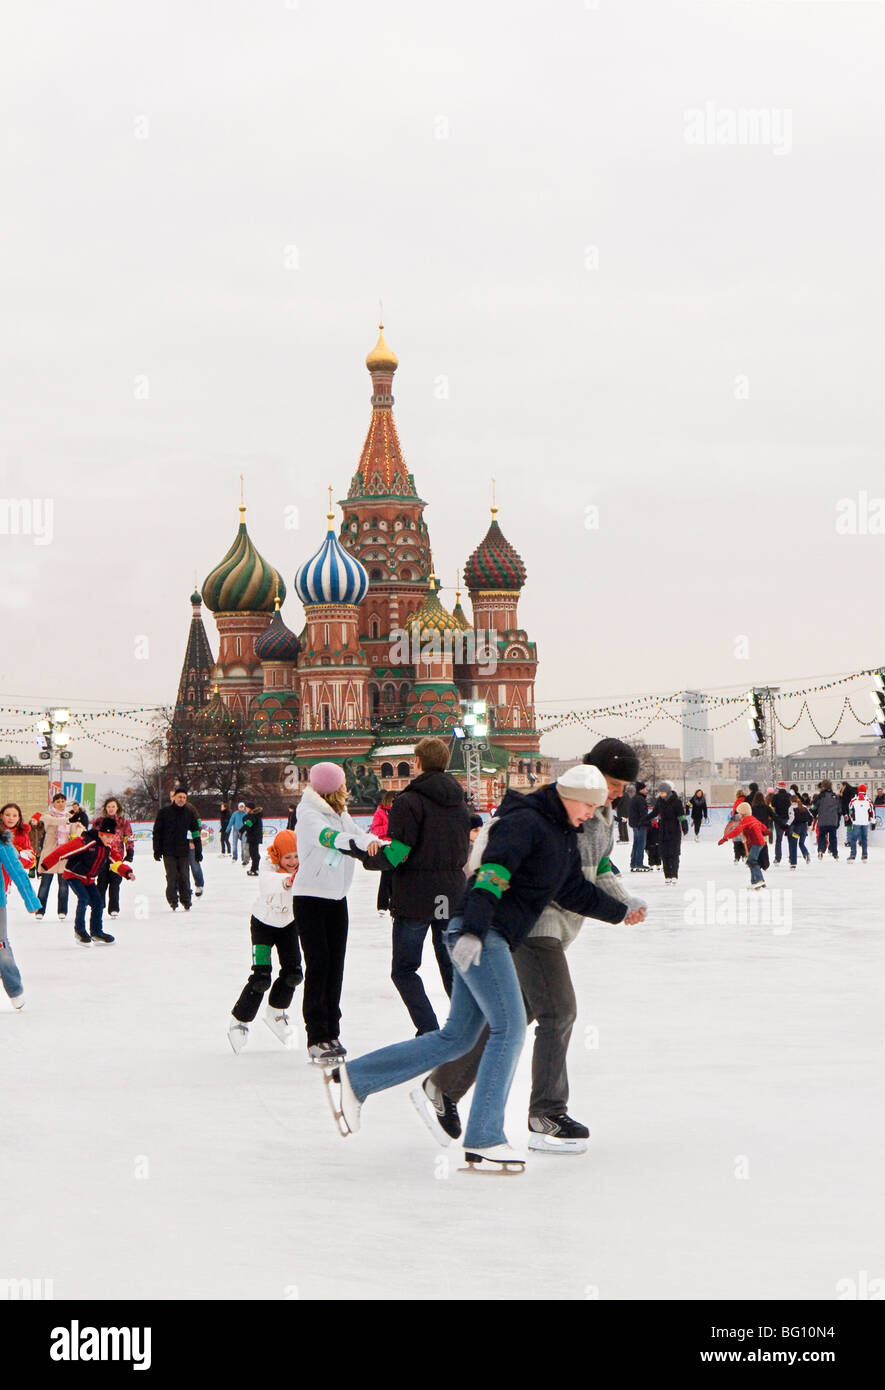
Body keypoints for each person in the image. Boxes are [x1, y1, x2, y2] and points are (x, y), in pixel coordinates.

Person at [326, 763, 645, 1173]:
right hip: (482, 933)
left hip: (485, 934)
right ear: (570, 796)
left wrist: (621, 911)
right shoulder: (525, 823)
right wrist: (473, 931)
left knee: (457, 1037)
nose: (591, 815)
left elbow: (572, 890)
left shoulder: (562, 834)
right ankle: (485, 1137)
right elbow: (491, 875)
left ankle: (354, 1079)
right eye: (589, 806)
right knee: (509, 1028)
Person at [416, 738, 647, 1153]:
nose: (616, 793)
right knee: (559, 1010)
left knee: (516, 1015)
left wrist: (623, 899)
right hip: (535, 924)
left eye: (622, 787)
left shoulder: (602, 813)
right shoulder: (564, 808)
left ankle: (443, 1086)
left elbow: (600, 866)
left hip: (555, 926)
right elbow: (557, 878)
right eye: (614, 783)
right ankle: (546, 1114)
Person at [294, 763, 382, 1062]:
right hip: (310, 899)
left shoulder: (340, 815)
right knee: (319, 966)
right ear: (333, 788)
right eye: (343, 785)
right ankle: (316, 1036)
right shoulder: (308, 814)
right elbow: (327, 838)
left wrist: (382, 845)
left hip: (336, 899)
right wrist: (356, 846)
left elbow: (360, 834)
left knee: (336, 967)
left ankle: (332, 1031)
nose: (347, 789)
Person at [383, 739, 471, 1035]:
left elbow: (399, 852)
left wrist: (365, 855)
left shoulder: (408, 802)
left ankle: (429, 1031)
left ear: (418, 762)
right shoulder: (460, 803)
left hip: (415, 896)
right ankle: (465, 1027)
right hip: (452, 892)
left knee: (405, 969)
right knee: (451, 965)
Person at [228, 830, 304, 1052]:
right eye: (287, 857)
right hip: (263, 924)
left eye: (296, 856)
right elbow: (267, 883)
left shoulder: (303, 869)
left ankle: (276, 1012)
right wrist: (288, 880)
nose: (293, 862)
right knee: (261, 977)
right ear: (277, 856)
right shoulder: (267, 865)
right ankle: (239, 1021)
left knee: (294, 974)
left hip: (289, 924)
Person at [40, 816, 135, 943]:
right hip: (73, 875)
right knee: (84, 898)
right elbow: (63, 851)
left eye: (112, 837)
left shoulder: (108, 848)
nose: (110, 840)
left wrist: (127, 872)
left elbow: (116, 862)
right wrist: (45, 864)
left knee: (98, 903)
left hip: (89, 879)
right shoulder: (86, 841)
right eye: (107, 836)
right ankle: (79, 930)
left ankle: (96, 932)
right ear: (100, 834)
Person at [0, 829, 42, 1008]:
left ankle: (14, 989)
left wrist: (31, 899)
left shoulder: (2, 843)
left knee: (1, 947)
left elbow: (16, 871)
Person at [152, 788, 202, 911]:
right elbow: (157, 832)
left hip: (183, 850)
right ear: (174, 797)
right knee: (172, 875)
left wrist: (198, 850)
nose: (182, 799)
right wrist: (156, 849)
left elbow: (195, 832)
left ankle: (186, 900)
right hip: (168, 850)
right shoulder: (164, 812)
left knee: (184, 876)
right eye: (180, 797)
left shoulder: (189, 812)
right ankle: (173, 900)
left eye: (184, 798)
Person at [97, 797, 134, 920]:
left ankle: (114, 908)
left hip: (117, 856)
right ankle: (99, 905)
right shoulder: (99, 821)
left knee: (115, 882)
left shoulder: (123, 822)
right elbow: (94, 837)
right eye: (109, 807)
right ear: (105, 809)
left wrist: (130, 850)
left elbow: (128, 837)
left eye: (113, 806)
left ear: (117, 808)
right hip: (102, 855)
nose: (111, 809)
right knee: (102, 882)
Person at [36, 793, 71, 919]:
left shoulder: (69, 816)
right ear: (53, 803)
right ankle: (40, 910)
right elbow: (53, 821)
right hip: (50, 854)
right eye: (58, 801)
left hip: (63, 855)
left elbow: (75, 831)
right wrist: (67, 820)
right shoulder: (48, 815)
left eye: (63, 801)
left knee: (63, 885)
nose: (61, 803)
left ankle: (62, 911)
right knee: (45, 884)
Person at [718, 804, 766, 889]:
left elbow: (736, 831)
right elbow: (762, 826)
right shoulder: (751, 818)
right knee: (750, 861)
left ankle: (759, 880)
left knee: (752, 861)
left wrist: (725, 838)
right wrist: (767, 832)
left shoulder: (745, 820)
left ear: (743, 813)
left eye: (739, 813)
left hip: (757, 843)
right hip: (758, 843)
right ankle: (755, 882)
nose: (738, 815)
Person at [369, 790, 396, 918]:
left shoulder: (400, 812)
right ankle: (383, 905)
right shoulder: (380, 812)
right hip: (385, 846)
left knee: (395, 876)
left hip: (397, 847)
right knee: (386, 875)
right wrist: (389, 827)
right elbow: (374, 830)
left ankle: (393, 904)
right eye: (392, 801)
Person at [651, 782, 686, 883]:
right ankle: (667, 876)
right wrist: (644, 819)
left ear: (667, 792)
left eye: (662, 792)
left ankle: (674, 875)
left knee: (674, 854)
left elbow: (681, 815)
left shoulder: (676, 802)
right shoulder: (659, 801)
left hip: (674, 830)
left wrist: (684, 825)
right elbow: (654, 812)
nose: (661, 794)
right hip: (663, 830)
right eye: (660, 793)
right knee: (664, 854)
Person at [847, 784, 875, 862]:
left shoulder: (854, 800)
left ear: (858, 790)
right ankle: (864, 855)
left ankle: (853, 855)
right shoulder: (868, 800)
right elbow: (872, 812)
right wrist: (873, 822)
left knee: (853, 839)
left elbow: (850, 809)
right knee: (864, 839)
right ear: (865, 791)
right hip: (865, 822)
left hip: (856, 822)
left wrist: (852, 818)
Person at [628, 780, 651, 871]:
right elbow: (643, 814)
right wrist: (647, 822)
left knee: (636, 843)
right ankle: (638, 863)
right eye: (645, 788)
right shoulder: (640, 799)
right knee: (641, 844)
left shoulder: (634, 798)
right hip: (640, 824)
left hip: (635, 824)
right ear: (641, 789)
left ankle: (633, 863)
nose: (646, 790)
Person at [815, 780, 841, 859]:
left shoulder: (820, 796)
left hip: (822, 820)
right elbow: (839, 809)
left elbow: (814, 807)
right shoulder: (835, 796)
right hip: (833, 820)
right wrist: (838, 820)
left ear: (823, 786)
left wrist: (813, 815)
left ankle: (820, 850)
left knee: (821, 836)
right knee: (833, 837)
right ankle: (835, 853)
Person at [786, 794, 812, 867]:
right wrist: (809, 824)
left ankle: (793, 862)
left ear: (791, 801)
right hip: (804, 828)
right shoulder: (804, 807)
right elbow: (811, 816)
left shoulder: (791, 808)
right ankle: (806, 854)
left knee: (793, 844)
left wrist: (787, 825)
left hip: (796, 828)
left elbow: (792, 818)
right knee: (801, 843)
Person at [771, 783, 792, 863]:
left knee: (779, 839)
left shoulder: (775, 796)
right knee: (790, 839)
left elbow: (773, 804)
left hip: (778, 820)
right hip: (788, 819)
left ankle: (777, 858)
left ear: (778, 788)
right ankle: (791, 857)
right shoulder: (789, 795)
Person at [242, 801, 263, 876]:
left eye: (247, 808)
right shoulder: (253, 815)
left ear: (250, 808)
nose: (246, 809)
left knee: (254, 853)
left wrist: (241, 830)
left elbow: (248, 825)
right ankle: (254, 868)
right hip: (254, 836)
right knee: (253, 853)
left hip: (254, 837)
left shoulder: (253, 816)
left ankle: (255, 869)